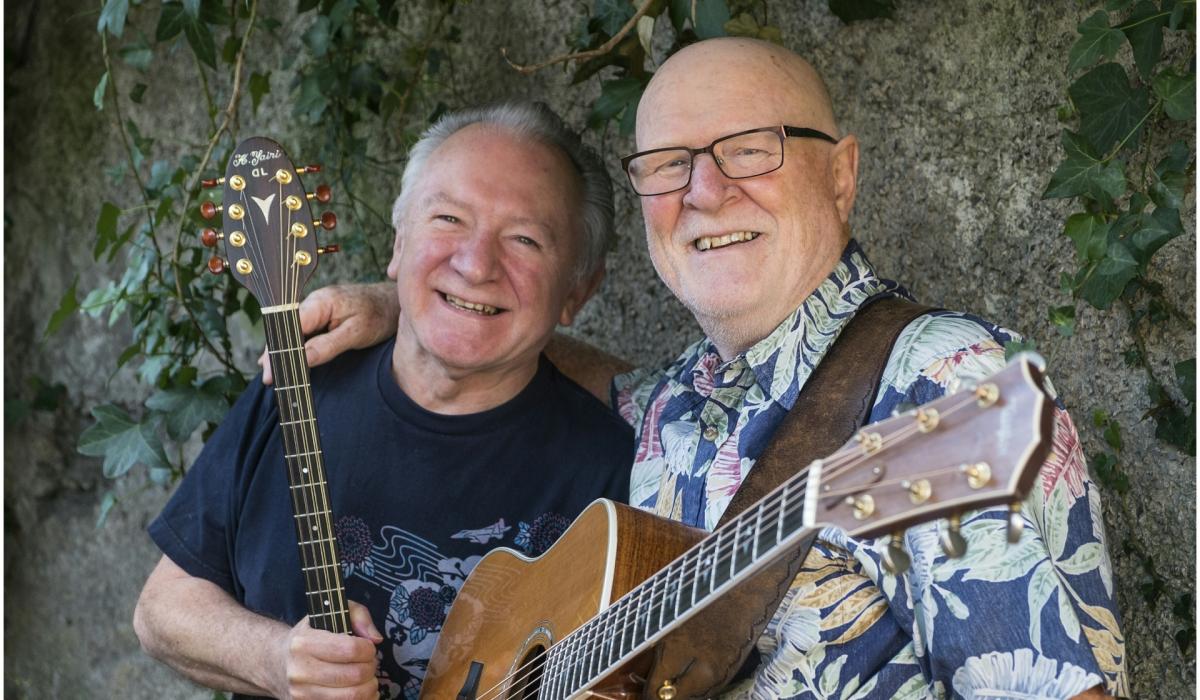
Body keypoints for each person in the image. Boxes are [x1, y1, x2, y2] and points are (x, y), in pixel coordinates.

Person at [274, 39, 1126, 698]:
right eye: (668, 164)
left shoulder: (946, 382)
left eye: (751, 149)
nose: (705, 192)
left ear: (841, 174)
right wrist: (417, 310)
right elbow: (585, 369)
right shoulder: (677, 402)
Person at [132, 102, 634, 700]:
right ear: (398, 244)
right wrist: (275, 658)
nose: (475, 265)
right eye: (448, 218)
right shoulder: (300, 384)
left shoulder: (618, 472)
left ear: (578, 289)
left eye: (524, 239)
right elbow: (163, 608)